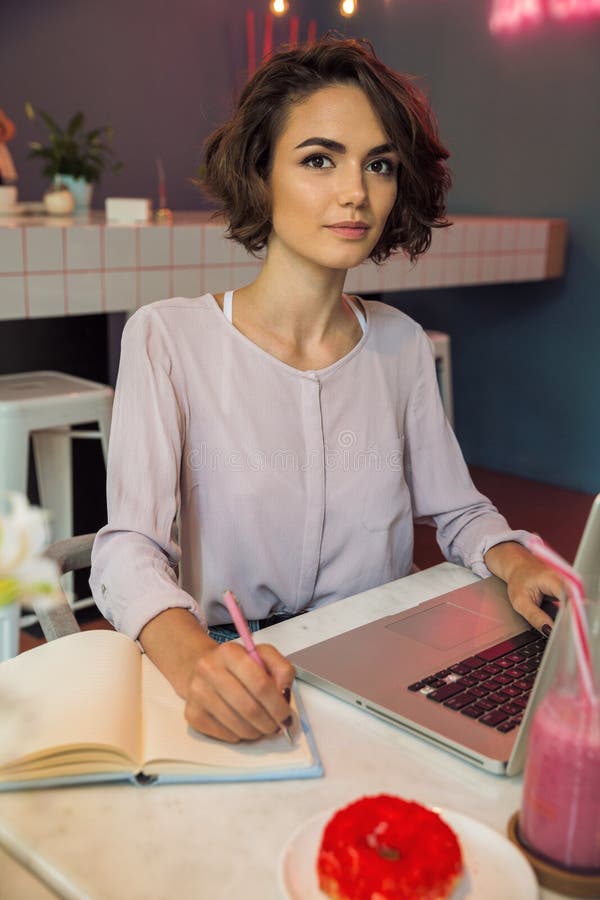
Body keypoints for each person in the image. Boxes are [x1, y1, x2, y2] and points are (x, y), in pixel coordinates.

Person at [90, 36, 565, 744]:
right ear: (260, 173)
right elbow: (127, 549)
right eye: (319, 159)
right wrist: (197, 663)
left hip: (383, 659)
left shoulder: (400, 344)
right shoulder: (167, 339)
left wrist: (518, 559)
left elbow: (459, 511)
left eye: (379, 165)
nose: (356, 193)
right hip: (236, 664)